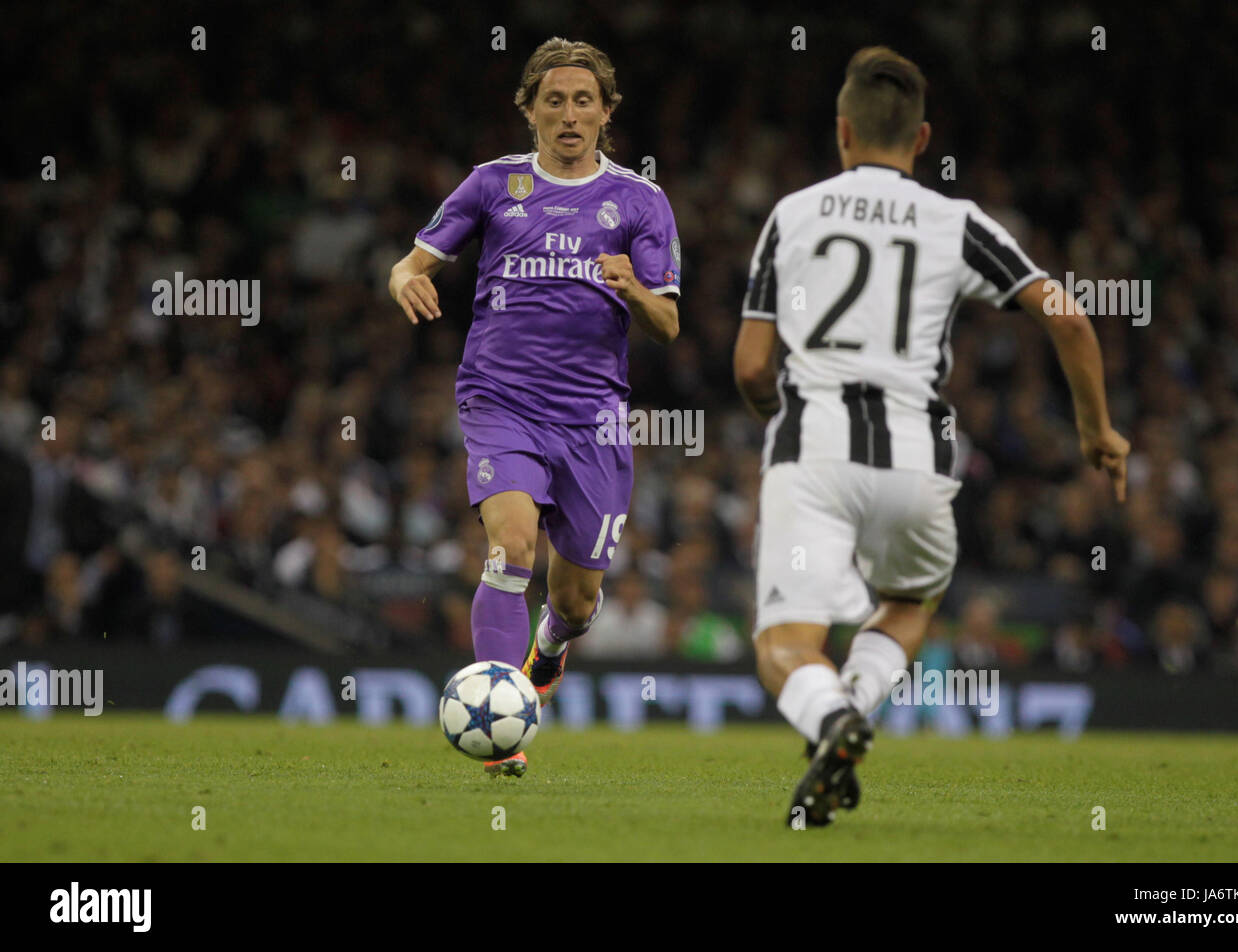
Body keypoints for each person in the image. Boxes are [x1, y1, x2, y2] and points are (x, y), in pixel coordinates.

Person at [733, 46, 1129, 826]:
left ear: (842, 131)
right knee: (912, 599)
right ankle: (854, 703)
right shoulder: (958, 221)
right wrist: (1096, 431)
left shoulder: (795, 212)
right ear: (921, 140)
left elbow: (750, 366)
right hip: (918, 460)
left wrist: (774, 419)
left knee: (786, 643)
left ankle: (830, 719)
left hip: (813, 449)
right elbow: (1069, 317)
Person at [389, 37, 682, 777]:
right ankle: (500, 736)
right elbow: (412, 260)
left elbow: (668, 325)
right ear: (529, 109)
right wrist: (403, 279)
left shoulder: (641, 202)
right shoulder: (492, 185)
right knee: (511, 546)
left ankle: (547, 649)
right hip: (501, 400)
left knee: (579, 600)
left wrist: (634, 290)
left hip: (593, 419)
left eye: (584, 100)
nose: (570, 113)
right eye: (554, 100)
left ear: (607, 111)